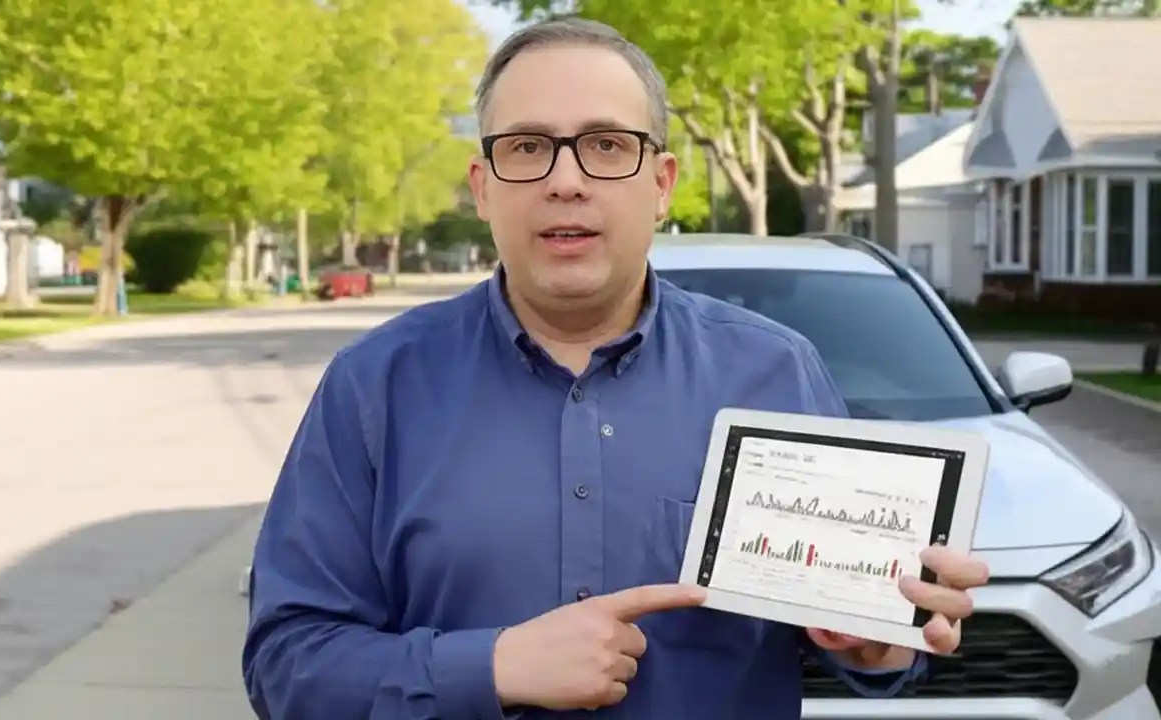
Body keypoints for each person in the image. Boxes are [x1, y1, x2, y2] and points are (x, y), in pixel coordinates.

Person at [242, 17, 990, 719]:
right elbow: (287, 664)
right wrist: (490, 666)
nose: (566, 180)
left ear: (661, 184)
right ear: (482, 187)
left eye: (606, 145)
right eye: (527, 147)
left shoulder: (775, 374)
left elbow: (858, 638)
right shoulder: (374, 386)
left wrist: (874, 638)